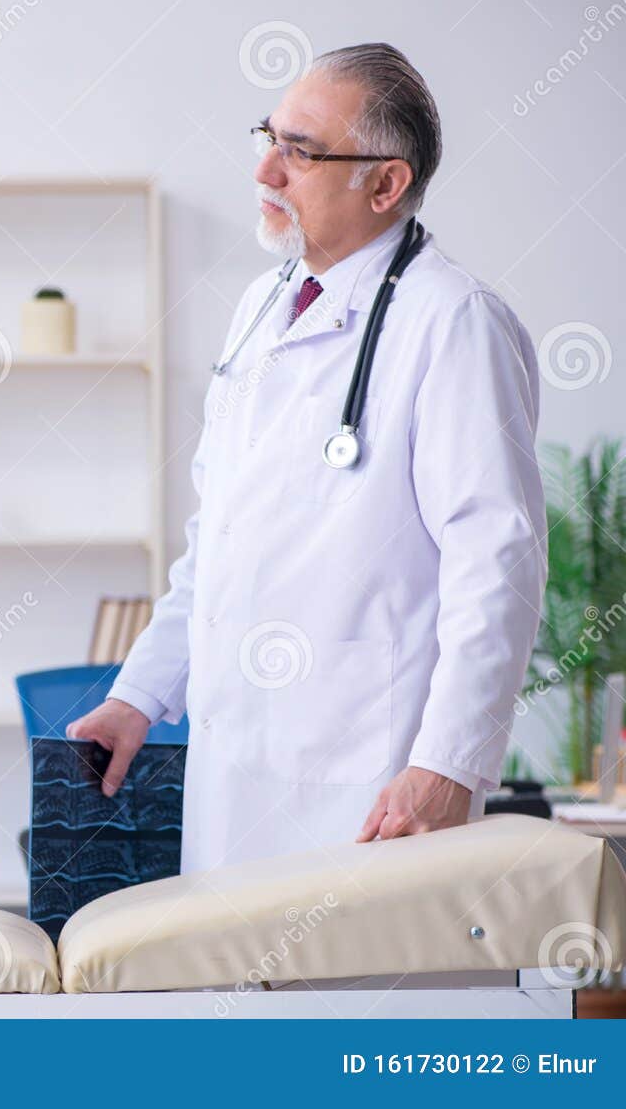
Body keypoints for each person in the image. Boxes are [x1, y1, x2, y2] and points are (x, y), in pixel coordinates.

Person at [68, 43, 546, 874]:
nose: (266, 169)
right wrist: (137, 698)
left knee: (355, 999)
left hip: (366, 782)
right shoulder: (263, 304)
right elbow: (216, 539)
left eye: (301, 150)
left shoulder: (454, 320)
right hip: (235, 780)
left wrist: (448, 764)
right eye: (269, 136)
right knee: (235, 994)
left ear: (386, 184)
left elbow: (496, 562)